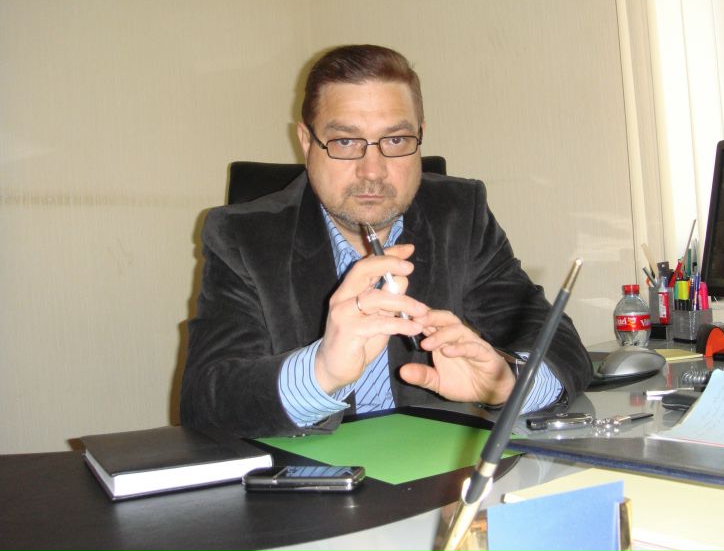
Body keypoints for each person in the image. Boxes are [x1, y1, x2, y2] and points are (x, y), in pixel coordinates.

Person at [180, 44, 592, 438]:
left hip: (440, 472)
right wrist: (320, 372)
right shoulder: (243, 237)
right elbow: (204, 400)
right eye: (345, 142)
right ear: (307, 142)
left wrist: (506, 383)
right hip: (309, 478)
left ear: (420, 137)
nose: (372, 171)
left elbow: (556, 341)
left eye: (395, 140)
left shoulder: (459, 214)